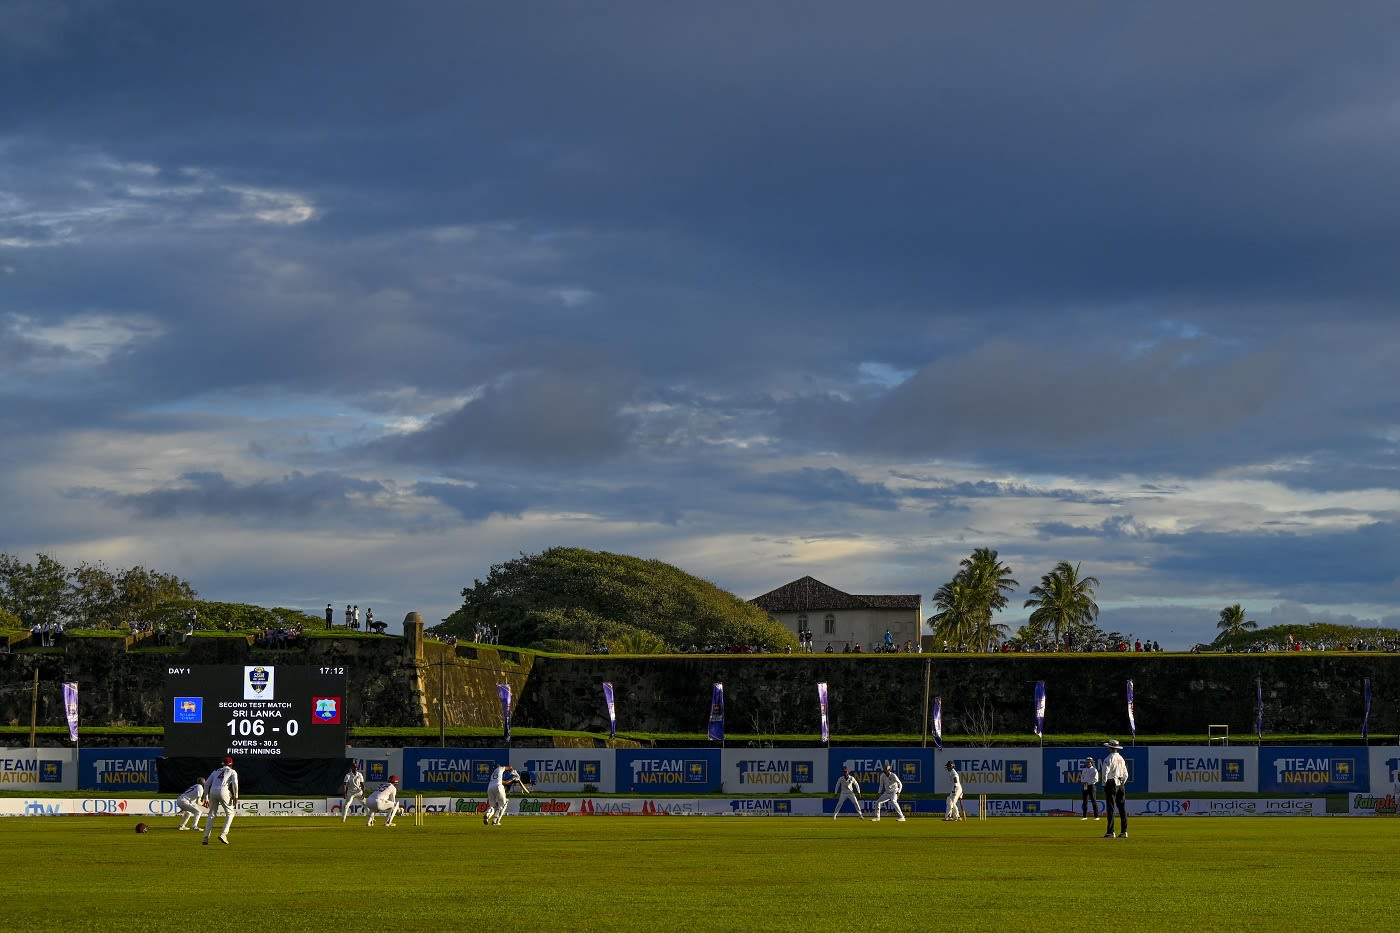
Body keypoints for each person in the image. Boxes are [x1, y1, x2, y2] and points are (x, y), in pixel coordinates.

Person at [203, 756, 239, 846]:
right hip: (224, 791)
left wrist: (205, 798)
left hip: (212, 791)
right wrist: (236, 796)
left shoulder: (215, 771)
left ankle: (205, 837)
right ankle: (223, 834)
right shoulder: (232, 771)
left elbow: (207, 784)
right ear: (231, 764)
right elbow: (234, 784)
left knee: (211, 815)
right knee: (230, 813)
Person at [1101, 740, 1129, 838]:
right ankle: (1124, 831)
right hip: (1120, 783)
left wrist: (1104, 783)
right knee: (1122, 808)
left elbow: (1105, 772)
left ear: (1110, 748)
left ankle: (1110, 831)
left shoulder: (1108, 758)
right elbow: (1126, 774)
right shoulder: (1121, 758)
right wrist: (1122, 782)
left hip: (1111, 782)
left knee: (1111, 807)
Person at [1079, 756, 1101, 821]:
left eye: (1089, 762)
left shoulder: (1094, 770)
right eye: (1087, 762)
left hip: (1091, 786)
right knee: (1085, 801)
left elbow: (1096, 779)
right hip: (1085, 786)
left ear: (1091, 763)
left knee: (1093, 801)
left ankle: (1096, 816)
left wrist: (1089, 782)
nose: (1088, 763)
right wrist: (1083, 782)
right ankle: (1084, 816)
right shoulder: (1084, 770)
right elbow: (1082, 778)